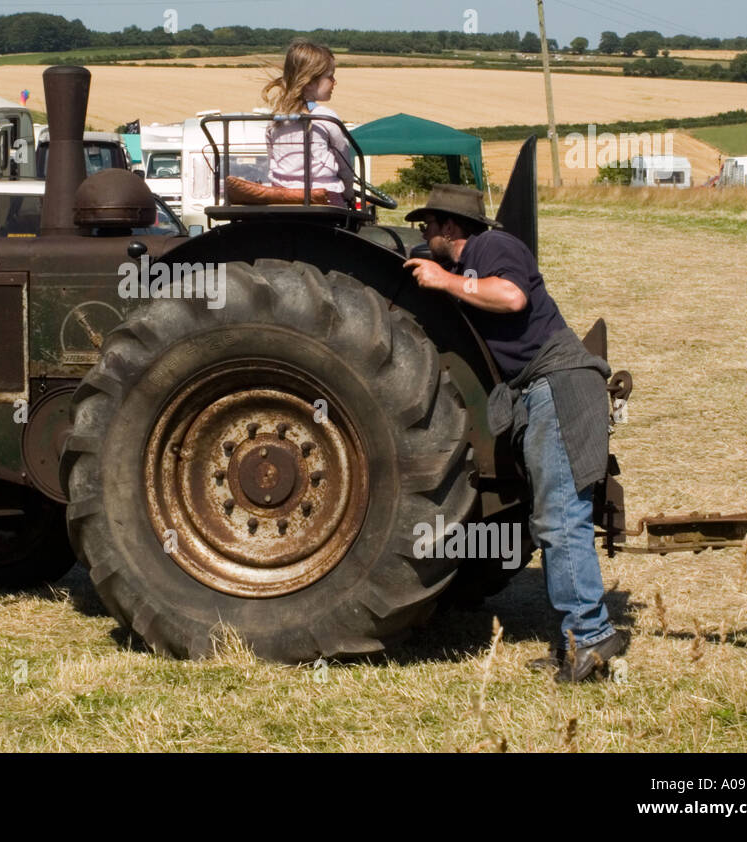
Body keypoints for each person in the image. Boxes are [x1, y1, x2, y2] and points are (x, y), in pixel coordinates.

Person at [402, 184, 626, 684]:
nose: (423, 234)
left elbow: (511, 295)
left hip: (558, 387)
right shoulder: (471, 263)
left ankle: (592, 636)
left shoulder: (492, 248)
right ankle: (576, 641)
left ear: (451, 227)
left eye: (427, 226)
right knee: (553, 518)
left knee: (562, 517)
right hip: (541, 392)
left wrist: (442, 281)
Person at [262, 40, 354, 205]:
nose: (334, 82)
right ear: (310, 82)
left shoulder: (275, 120)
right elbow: (344, 163)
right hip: (325, 197)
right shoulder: (326, 118)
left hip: (282, 196)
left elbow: (271, 161)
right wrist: (348, 191)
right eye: (330, 76)